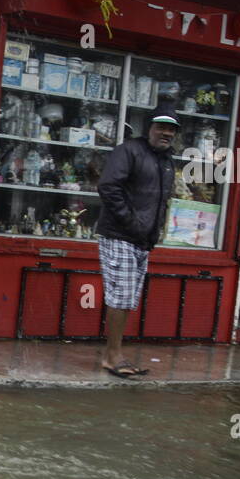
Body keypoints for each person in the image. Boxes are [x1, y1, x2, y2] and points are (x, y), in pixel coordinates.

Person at [94, 104, 178, 378]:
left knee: (128, 297)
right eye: (161, 127)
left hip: (143, 239)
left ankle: (115, 352)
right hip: (120, 234)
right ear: (149, 128)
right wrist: (132, 222)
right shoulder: (129, 150)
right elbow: (109, 187)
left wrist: (152, 231)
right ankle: (111, 356)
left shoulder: (167, 161)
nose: (165, 133)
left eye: (171, 129)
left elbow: (159, 200)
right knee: (120, 295)